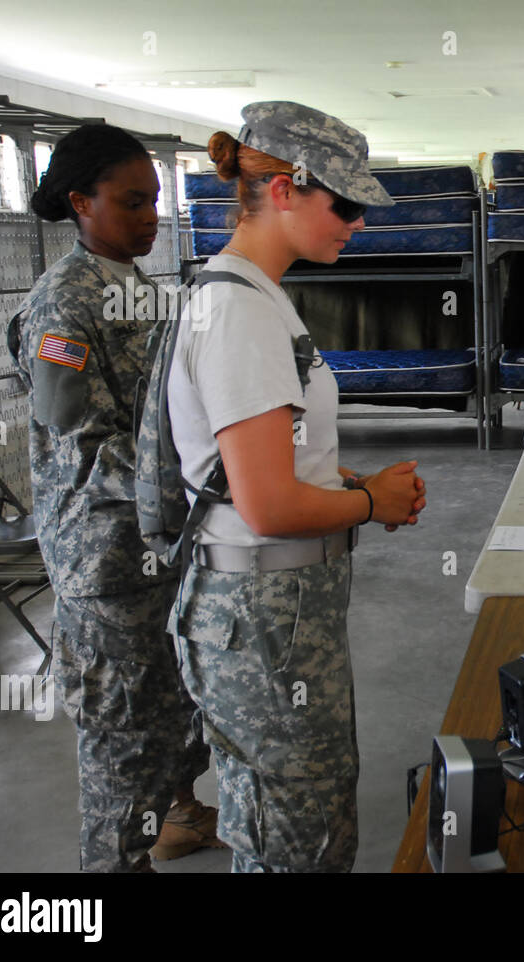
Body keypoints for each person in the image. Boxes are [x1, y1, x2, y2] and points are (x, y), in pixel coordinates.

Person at [166, 101, 427, 872]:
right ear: (285, 190)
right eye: (344, 204)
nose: (358, 223)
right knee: (298, 837)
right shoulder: (241, 312)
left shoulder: (254, 296)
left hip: (279, 607)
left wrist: (343, 481)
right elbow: (268, 505)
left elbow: (265, 466)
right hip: (263, 614)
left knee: (302, 811)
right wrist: (370, 503)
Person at [7, 124, 221, 871]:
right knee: (120, 737)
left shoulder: (138, 288)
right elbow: (83, 440)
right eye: (132, 202)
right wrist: (199, 478)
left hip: (158, 543)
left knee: (173, 702)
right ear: (79, 201)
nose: (149, 217)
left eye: (154, 201)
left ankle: (181, 817)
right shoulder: (62, 306)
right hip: (106, 558)